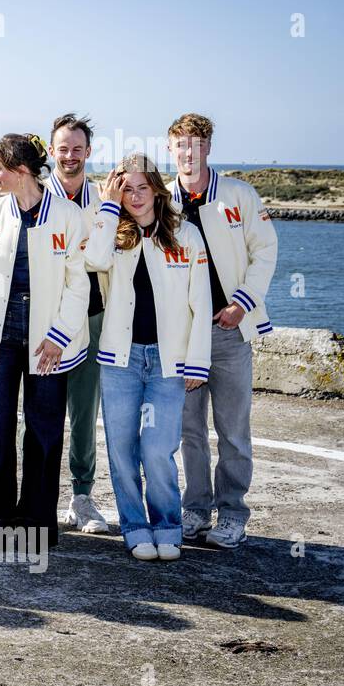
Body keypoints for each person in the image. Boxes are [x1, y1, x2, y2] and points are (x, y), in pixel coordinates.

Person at [0, 134, 90, 549]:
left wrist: (59, 336)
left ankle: (36, 521)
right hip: (0, 335)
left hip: (48, 338)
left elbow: (78, 284)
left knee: (44, 430)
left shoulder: (69, 216)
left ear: (21, 171)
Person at [85, 154, 212, 561]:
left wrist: (198, 361)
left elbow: (201, 301)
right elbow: (94, 260)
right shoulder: (112, 232)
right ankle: (135, 527)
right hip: (120, 360)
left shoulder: (185, 235)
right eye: (126, 189)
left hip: (167, 362)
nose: (135, 196)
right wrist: (107, 207)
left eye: (142, 187)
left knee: (157, 449)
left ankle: (166, 525)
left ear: (157, 189)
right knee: (121, 450)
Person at [168, 113, 278, 548]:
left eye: (197, 145)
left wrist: (241, 304)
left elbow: (265, 251)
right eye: (182, 145)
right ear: (171, 150)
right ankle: (195, 509)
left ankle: (232, 513)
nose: (189, 153)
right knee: (188, 430)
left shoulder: (239, 195)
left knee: (232, 429)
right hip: (183, 336)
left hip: (230, 331)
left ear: (208, 149)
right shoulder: (164, 201)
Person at [48, 113, 110, 534]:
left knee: (84, 413)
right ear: (51, 151)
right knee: (36, 413)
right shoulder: (34, 198)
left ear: (88, 152)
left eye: (77, 149)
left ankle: (82, 496)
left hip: (92, 317)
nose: (70, 156)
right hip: (40, 321)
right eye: (62, 149)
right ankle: (35, 496)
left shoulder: (106, 200)